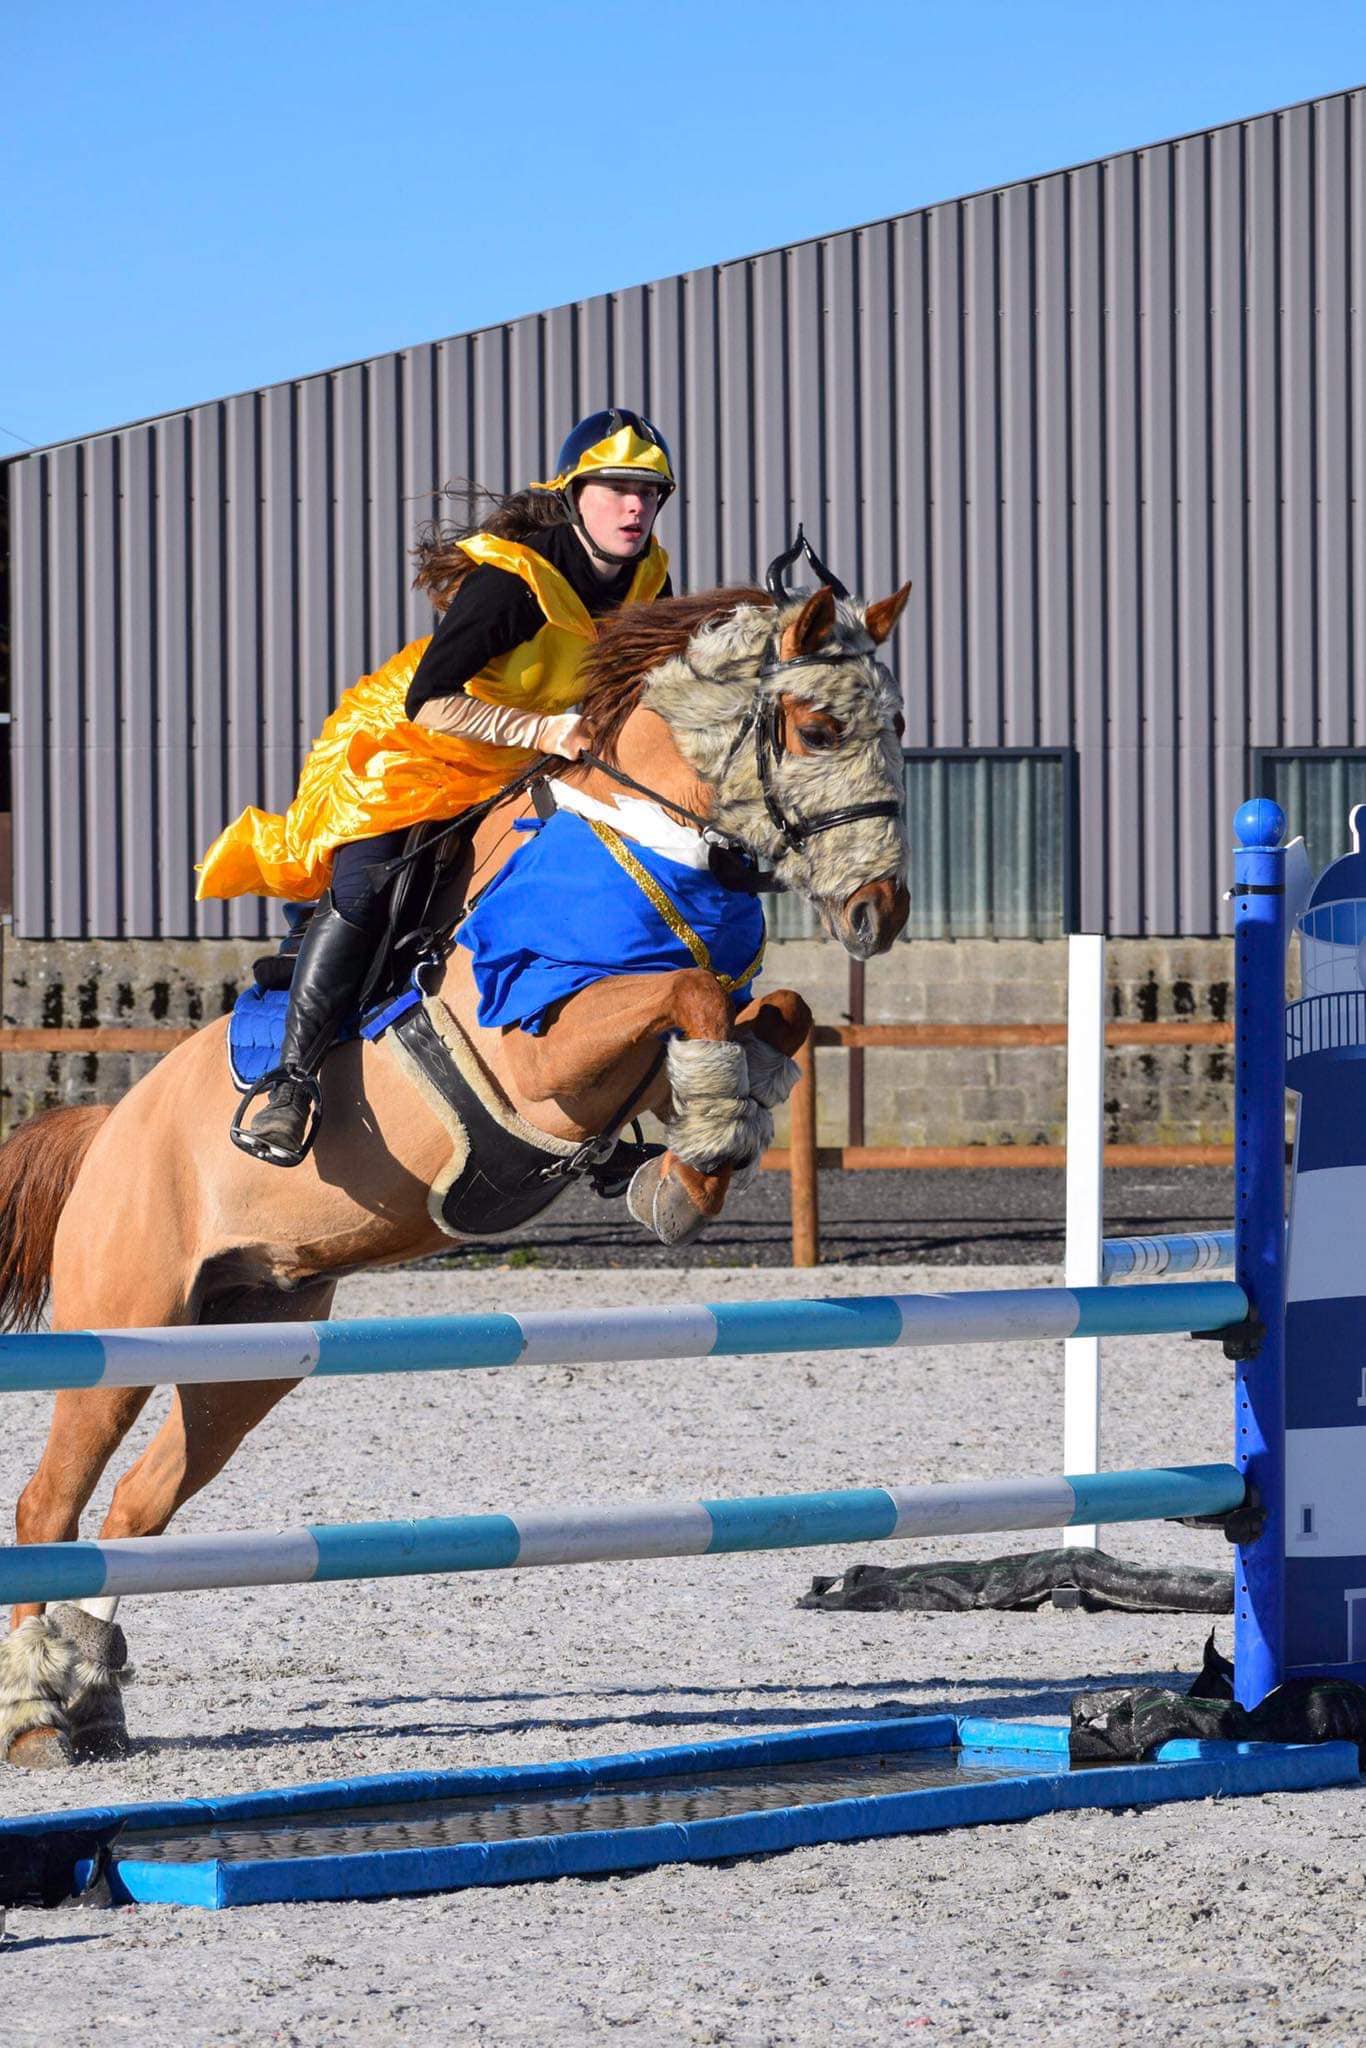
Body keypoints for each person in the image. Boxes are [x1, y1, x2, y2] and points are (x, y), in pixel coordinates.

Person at [196, 408, 676, 1164]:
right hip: (418, 743)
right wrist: (545, 732)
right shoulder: (512, 582)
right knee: (370, 889)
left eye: (648, 492)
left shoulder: (652, 580)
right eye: (615, 488)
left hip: (528, 756)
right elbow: (430, 701)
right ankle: (290, 1081)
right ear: (573, 494)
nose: (634, 507)